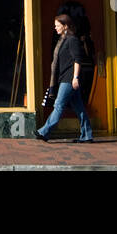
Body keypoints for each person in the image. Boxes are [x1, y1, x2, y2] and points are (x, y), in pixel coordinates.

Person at [36, 14, 92, 143]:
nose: (55, 28)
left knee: (59, 105)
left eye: (57, 25)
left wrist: (75, 77)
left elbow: (78, 60)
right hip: (64, 78)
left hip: (69, 78)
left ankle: (44, 132)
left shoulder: (72, 40)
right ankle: (87, 135)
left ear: (65, 26)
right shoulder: (63, 40)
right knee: (79, 108)